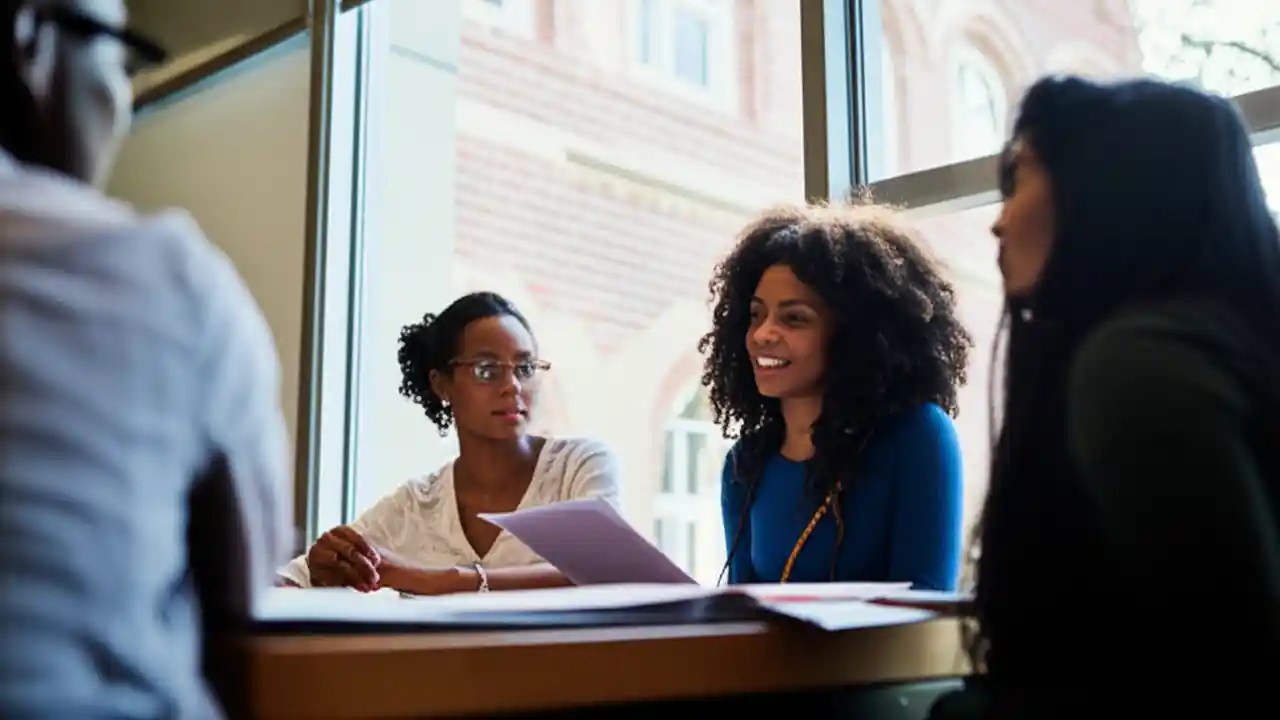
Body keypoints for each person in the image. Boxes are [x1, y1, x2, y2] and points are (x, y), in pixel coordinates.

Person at [932, 76, 1280, 718]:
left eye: (1020, 180)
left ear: (1105, 190)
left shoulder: (1139, 366)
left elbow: (1228, 666)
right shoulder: (1209, 347)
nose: (998, 221)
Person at [0, 1, 292, 718]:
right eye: (120, 58)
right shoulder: (169, 276)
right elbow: (245, 597)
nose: (123, 103)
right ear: (31, 40)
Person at [702, 201, 971, 591]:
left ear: (854, 336)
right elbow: (743, 606)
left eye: (794, 318)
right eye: (756, 315)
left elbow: (927, 607)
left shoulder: (916, 437)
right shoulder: (745, 465)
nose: (762, 334)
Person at [278, 292, 622, 594]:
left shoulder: (578, 467)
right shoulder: (415, 506)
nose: (513, 385)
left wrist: (439, 580)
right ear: (441, 384)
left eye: (525, 368)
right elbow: (287, 583)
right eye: (487, 370)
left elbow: (605, 567)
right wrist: (327, 565)